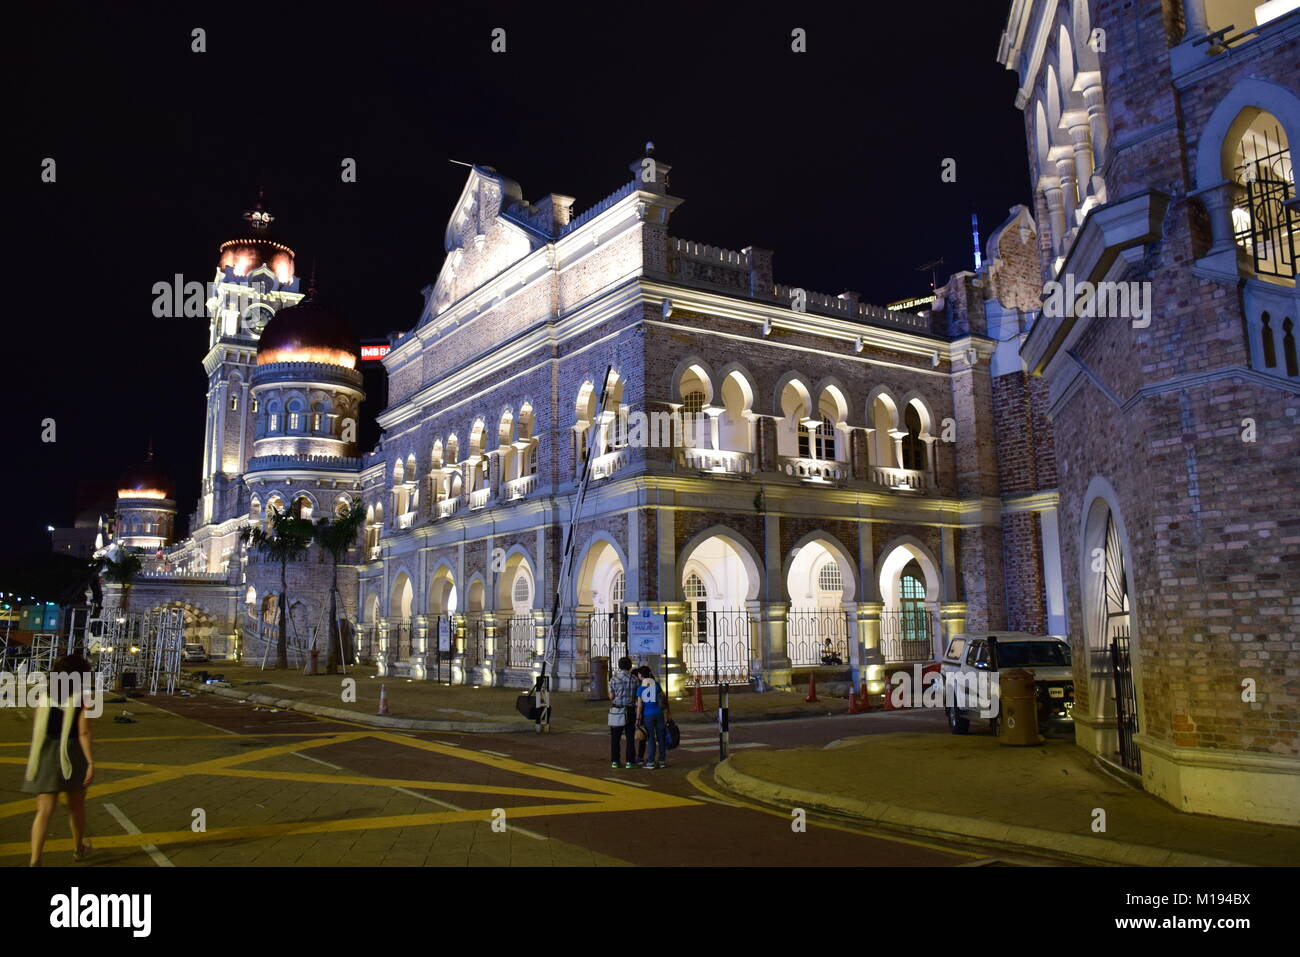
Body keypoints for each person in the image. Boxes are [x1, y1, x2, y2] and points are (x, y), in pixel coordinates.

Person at [25, 653, 97, 866]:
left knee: (44, 811)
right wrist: (90, 762)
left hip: (46, 754)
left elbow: (38, 727)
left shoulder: (44, 697)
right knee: (76, 807)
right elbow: (83, 732)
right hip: (73, 754)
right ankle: (78, 849)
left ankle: (35, 858)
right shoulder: (82, 699)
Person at [635, 666, 670, 769]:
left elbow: (640, 706)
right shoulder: (657, 686)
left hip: (647, 715)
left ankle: (651, 762)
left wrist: (637, 719)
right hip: (659, 714)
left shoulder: (640, 689)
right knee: (661, 737)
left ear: (641, 676)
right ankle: (662, 761)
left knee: (650, 738)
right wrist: (668, 711)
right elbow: (664, 698)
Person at [608, 656, 638, 768]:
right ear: (630, 666)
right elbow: (637, 696)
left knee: (615, 737)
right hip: (630, 709)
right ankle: (630, 761)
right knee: (630, 736)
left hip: (617, 710)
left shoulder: (613, 680)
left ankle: (615, 761)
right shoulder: (634, 679)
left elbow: (611, 696)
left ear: (619, 666)